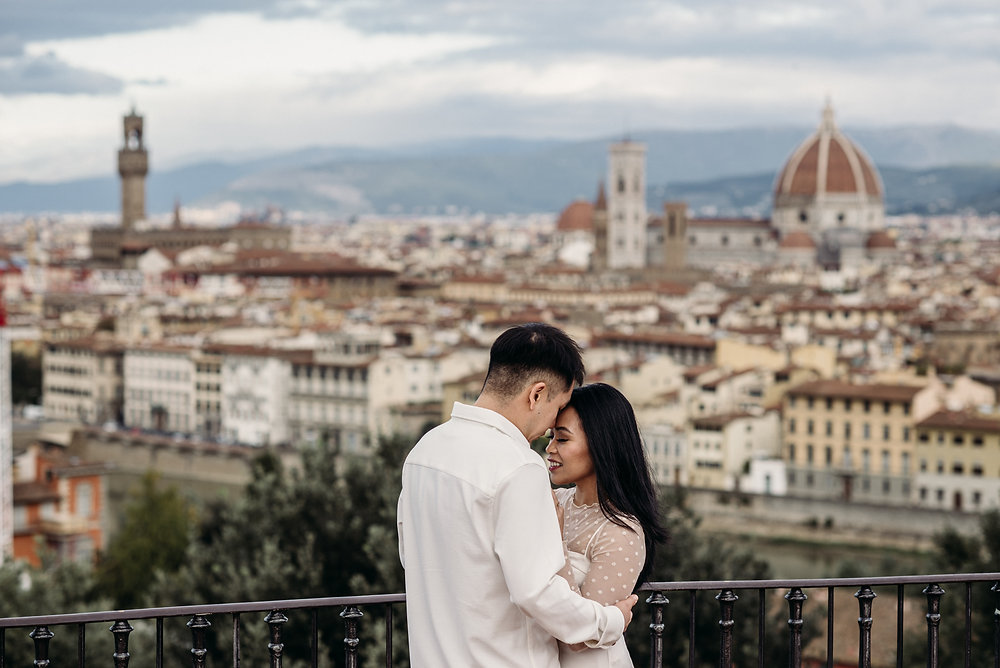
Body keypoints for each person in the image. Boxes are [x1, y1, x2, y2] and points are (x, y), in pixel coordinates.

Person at [397, 323, 638, 667]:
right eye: (558, 407)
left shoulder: (424, 453)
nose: (548, 430)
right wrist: (609, 621)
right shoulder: (518, 466)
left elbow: (413, 558)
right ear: (536, 394)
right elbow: (536, 591)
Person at [546, 382, 668, 668]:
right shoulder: (556, 502)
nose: (550, 448)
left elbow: (578, 636)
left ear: (601, 444)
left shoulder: (621, 530)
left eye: (562, 439)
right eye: (551, 437)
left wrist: (554, 539)